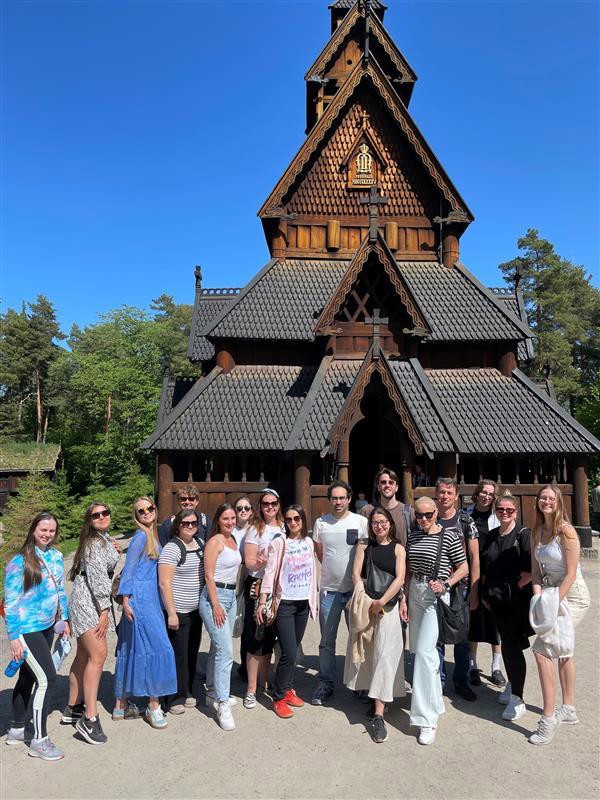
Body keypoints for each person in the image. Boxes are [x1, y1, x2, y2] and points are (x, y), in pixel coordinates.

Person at [400, 497, 468, 745]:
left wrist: (446, 583)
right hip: (415, 591)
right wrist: (404, 599)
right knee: (418, 650)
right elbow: (408, 568)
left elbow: (463, 567)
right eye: (419, 515)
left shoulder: (449, 535)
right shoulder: (414, 536)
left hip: (435, 595)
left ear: (436, 513)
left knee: (426, 656)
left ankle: (426, 719)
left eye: (428, 514)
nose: (424, 519)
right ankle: (435, 701)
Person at [4, 512, 70, 760]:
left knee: (29, 677)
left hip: (47, 627)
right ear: (33, 530)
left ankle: (17, 729)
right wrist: (13, 638)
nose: (47, 534)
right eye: (43, 529)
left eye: (52, 530)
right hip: (27, 629)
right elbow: (10, 604)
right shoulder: (18, 562)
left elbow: (60, 589)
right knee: (47, 679)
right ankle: (39, 741)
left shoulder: (55, 556)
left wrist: (63, 619)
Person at [528, 484, 591, 745]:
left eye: (551, 498)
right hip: (549, 595)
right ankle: (569, 709)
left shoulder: (566, 531)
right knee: (563, 649)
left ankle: (548, 717)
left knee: (542, 651)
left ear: (558, 502)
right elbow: (535, 571)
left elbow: (572, 573)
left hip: (572, 596)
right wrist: (538, 597)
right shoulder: (536, 532)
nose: (546, 502)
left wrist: (552, 604)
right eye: (543, 498)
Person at [114, 497, 177, 729]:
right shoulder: (141, 537)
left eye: (150, 508)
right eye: (141, 511)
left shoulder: (152, 534)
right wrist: (127, 601)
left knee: (134, 649)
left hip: (147, 598)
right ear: (136, 516)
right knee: (158, 649)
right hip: (142, 601)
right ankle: (153, 706)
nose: (147, 512)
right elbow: (128, 570)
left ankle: (121, 705)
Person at [345, 507, 406, 744]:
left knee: (384, 656)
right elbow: (355, 574)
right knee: (370, 654)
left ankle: (379, 715)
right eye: (375, 523)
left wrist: (383, 601)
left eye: (383, 522)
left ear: (390, 524)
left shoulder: (399, 549)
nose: (379, 526)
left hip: (387, 609)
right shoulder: (364, 545)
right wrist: (369, 601)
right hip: (368, 604)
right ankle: (376, 699)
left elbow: (400, 578)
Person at [63, 503, 121, 744]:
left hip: (84, 597)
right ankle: (89, 718)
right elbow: (98, 578)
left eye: (105, 513)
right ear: (89, 519)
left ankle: (71, 708)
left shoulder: (102, 539)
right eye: (96, 515)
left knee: (84, 656)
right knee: (98, 654)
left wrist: (116, 550)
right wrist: (104, 611)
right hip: (89, 601)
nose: (101, 517)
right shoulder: (94, 543)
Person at [257, 504, 318, 719]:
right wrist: (263, 601)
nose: (293, 523)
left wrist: (314, 601)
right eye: (289, 519)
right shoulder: (279, 543)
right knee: (288, 652)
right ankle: (279, 696)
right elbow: (270, 573)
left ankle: (289, 687)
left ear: (303, 520)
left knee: (292, 652)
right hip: (284, 604)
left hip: (302, 603)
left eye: (297, 519)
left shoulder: (309, 543)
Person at [312, 480, 368, 705]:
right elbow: (320, 553)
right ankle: (326, 682)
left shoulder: (361, 522)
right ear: (329, 500)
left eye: (341, 497)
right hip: (330, 591)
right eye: (334, 498)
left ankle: (359, 683)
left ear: (349, 498)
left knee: (358, 638)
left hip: (355, 592)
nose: (338, 502)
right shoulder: (321, 523)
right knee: (327, 640)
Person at [479, 492, 532, 723]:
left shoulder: (523, 534)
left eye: (509, 510)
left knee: (511, 646)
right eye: (500, 510)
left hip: (515, 601)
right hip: (496, 601)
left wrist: (511, 590)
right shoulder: (491, 535)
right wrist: (486, 593)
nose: (504, 514)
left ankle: (518, 698)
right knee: (508, 644)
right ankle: (513, 683)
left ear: (516, 512)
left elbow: (530, 571)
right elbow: (485, 567)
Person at [435, 477, 480, 701]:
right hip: (434, 587)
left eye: (449, 493)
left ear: (455, 496)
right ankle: (439, 681)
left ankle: (460, 681)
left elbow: (474, 557)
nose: (445, 496)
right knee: (437, 637)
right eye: (441, 492)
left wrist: (474, 588)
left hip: (460, 587)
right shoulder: (429, 518)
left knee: (461, 636)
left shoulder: (465, 520)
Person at [199, 503, 242, 731]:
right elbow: (208, 575)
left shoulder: (233, 540)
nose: (230, 522)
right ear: (218, 519)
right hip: (214, 596)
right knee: (226, 651)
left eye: (233, 518)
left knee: (218, 648)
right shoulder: (215, 542)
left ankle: (213, 691)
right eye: (226, 518)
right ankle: (223, 702)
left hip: (231, 596)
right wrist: (215, 604)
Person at [158, 509, 205, 714]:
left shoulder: (201, 545)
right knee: (177, 655)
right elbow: (164, 582)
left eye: (193, 523)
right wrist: (172, 612)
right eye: (185, 523)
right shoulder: (172, 548)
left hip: (196, 610)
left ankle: (187, 690)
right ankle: (173, 697)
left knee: (191, 653)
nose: (190, 526)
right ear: (177, 525)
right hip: (179, 610)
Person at [241, 489, 285, 709]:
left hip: (278, 587)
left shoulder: (285, 526)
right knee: (256, 636)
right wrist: (259, 563)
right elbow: (248, 562)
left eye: (273, 503)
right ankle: (250, 689)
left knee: (270, 637)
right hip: (258, 587)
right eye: (266, 504)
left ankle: (264, 681)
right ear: (260, 506)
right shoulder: (254, 529)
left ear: (278, 504)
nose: (270, 507)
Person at [466, 480, 505, 688]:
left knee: (494, 621)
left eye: (490, 493)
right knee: (474, 619)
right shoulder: (467, 514)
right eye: (483, 492)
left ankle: (495, 667)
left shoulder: (497, 515)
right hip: (472, 573)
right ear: (477, 493)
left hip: (492, 573)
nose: (486, 496)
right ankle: (472, 665)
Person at [360, 467, 414, 547]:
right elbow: (361, 541)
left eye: (391, 482)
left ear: (396, 487)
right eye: (383, 482)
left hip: (401, 559)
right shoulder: (367, 511)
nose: (387, 485)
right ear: (378, 487)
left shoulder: (408, 512)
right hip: (373, 558)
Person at [233, 495, 253, 681]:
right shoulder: (230, 531)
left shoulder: (256, 530)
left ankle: (246, 668)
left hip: (251, 580)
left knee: (249, 624)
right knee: (234, 622)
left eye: (247, 508)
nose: (243, 511)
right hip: (234, 580)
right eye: (239, 508)